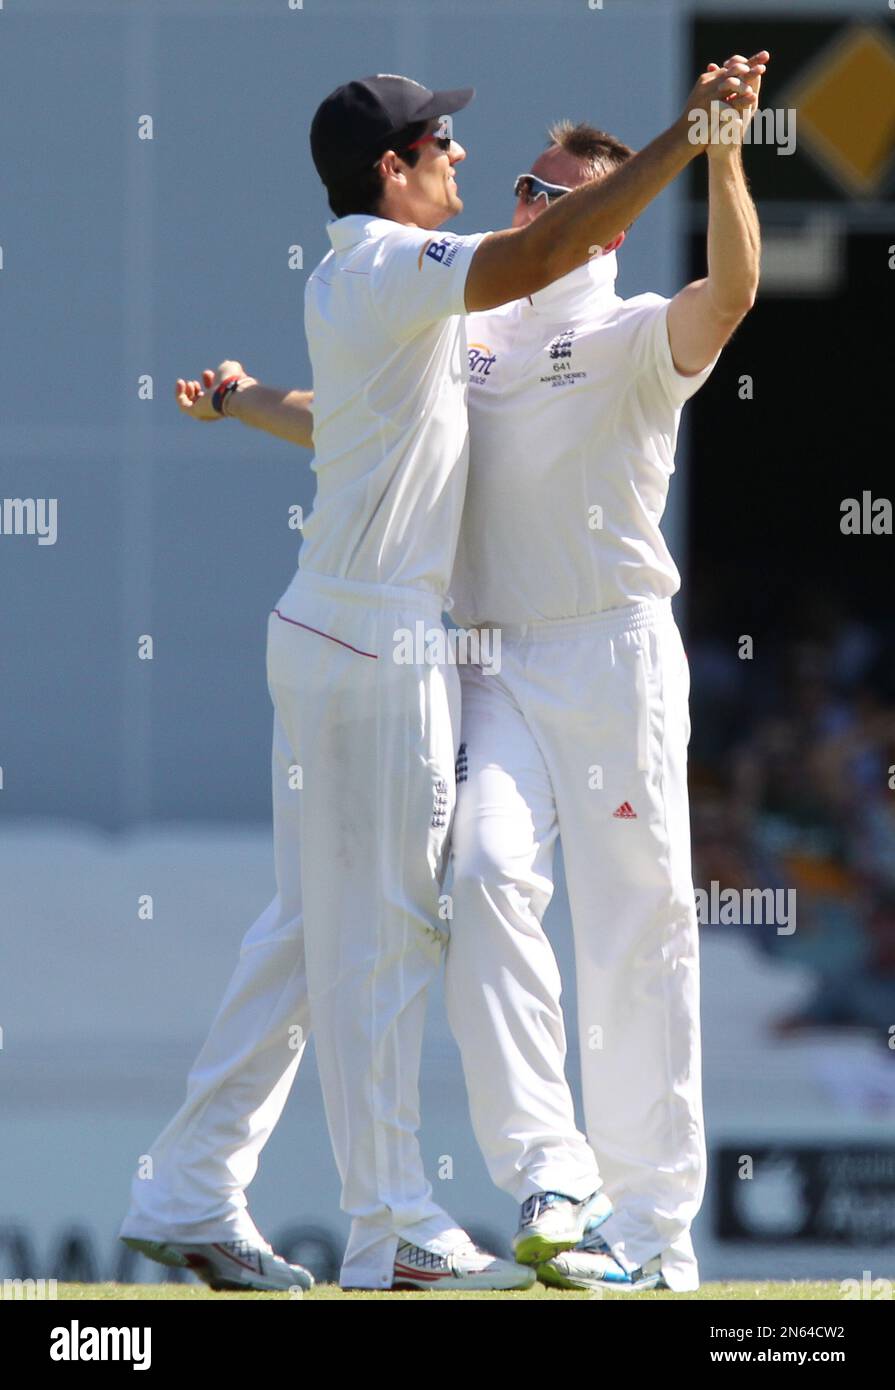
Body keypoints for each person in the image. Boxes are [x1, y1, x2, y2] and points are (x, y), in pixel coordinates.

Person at [121, 62, 761, 1293]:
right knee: (430, 906)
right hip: (438, 649)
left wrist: (718, 153)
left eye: (541, 187)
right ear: (394, 167)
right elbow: (443, 338)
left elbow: (725, 291)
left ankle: (647, 1234)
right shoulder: (437, 290)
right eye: (486, 170)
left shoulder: (581, 322)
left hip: (547, 643)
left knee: (422, 928)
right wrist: (692, 132)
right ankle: (466, 1204)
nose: (496, 187)